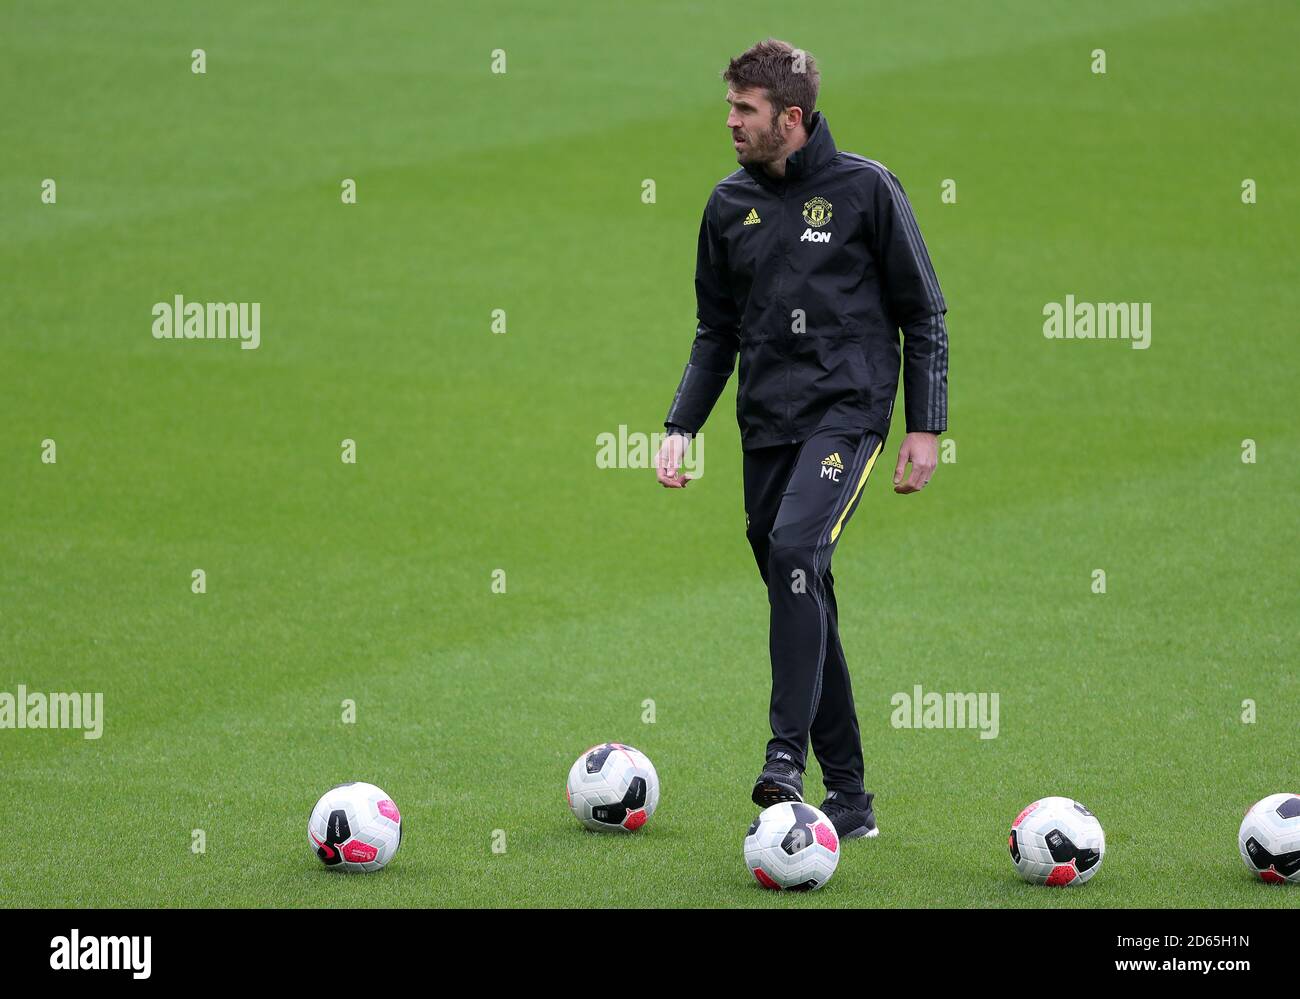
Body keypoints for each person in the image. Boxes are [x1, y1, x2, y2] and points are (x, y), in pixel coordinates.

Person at [654, 38, 949, 840]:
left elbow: (922, 310)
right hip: (766, 425)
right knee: (800, 585)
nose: (730, 123)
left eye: (744, 110)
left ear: (790, 116)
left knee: (794, 553)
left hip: (847, 417)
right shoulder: (725, 207)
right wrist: (681, 422)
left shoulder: (866, 189)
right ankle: (850, 799)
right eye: (729, 108)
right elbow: (716, 329)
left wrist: (924, 427)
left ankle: (784, 755)